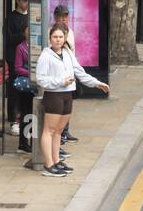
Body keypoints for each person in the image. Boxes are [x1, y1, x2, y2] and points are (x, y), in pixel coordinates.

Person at [33, 25, 107, 177]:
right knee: (49, 130)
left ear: (64, 38)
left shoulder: (67, 53)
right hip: (54, 96)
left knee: (59, 131)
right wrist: (61, 81)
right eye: (55, 37)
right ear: (50, 38)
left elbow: (79, 71)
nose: (58, 40)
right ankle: (48, 165)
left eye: (60, 37)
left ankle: (56, 161)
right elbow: (40, 79)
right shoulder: (45, 55)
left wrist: (96, 83)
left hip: (68, 95)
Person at [52, 4, 80, 152]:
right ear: (55, 17)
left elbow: (72, 53)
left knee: (68, 104)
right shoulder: (52, 33)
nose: (63, 19)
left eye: (65, 17)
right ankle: (60, 136)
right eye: (60, 16)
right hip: (57, 75)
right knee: (59, 106)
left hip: (69, 73)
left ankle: (65, 131)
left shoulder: (70, 33)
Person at [5, 0, 30, 135]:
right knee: (14, 89)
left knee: (27, 91)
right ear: (18, 0)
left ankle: (23, 118)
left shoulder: (30, 15)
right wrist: (23, 34)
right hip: (14, 57)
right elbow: (8, 38)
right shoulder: (11, 17)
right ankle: (13, 119)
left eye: (27, 0)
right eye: (24, 0)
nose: (26, 3)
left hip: (28, 57)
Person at [12, 37, 35, 154]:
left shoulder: (43, 46)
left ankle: (34, 142)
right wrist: (32, 73)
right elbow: (17, 68)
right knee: (27, 115)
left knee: (35, 115)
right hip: (26, 87)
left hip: (37, 85)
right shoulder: (21, 48)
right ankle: (24, 143)